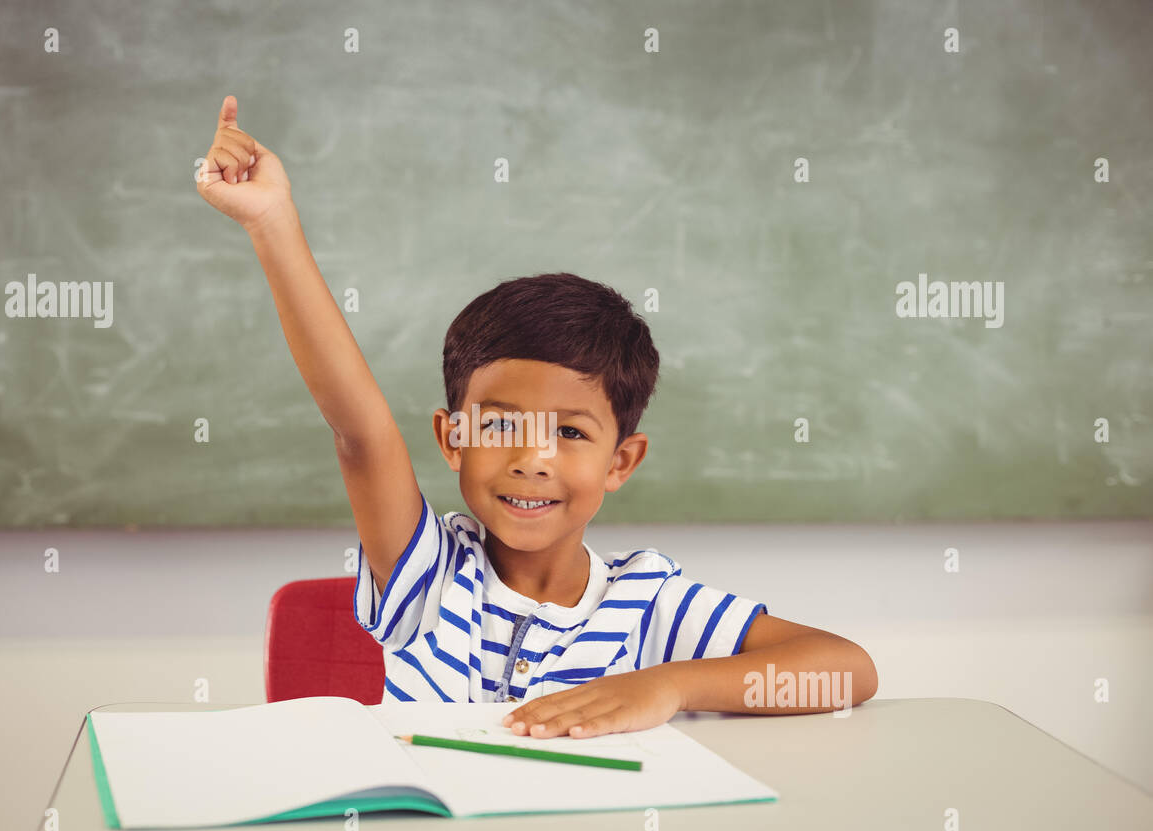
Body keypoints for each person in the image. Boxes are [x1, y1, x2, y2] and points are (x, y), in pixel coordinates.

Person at [197, 95, 878, 738]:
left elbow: (847, 671)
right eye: (498, 426)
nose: (532, 457)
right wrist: (271, 223)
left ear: (621, 461)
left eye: (571, 433)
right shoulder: (429, 575)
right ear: (451, 438)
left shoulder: (647, 602)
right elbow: (359, 428)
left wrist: (668, 686)